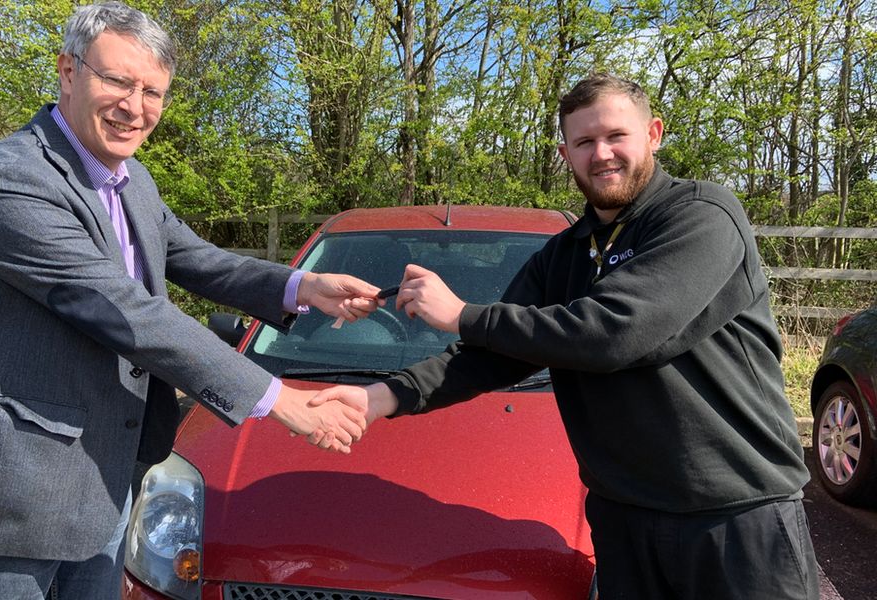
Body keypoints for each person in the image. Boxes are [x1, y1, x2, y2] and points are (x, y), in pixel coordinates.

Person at [0, 2, 378, 598]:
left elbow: (197, 258)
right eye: (118, 80)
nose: (136, 106)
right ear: (68, 71)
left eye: (153, 91)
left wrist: (301, 286)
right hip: (9, 503)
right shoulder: (6, 180)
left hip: (102, 485)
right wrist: (278, 399)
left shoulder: (131, 179)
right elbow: (126, 311)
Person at [313, 73, 819, 599]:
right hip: (624, 519)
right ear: (565, 153)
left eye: (615, 135)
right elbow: (491, 356)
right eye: (584, 142)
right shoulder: (564, 255)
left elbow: (613, 334)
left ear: (653, 134)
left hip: (737, 516)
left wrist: (461, 313)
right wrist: (380, 397)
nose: (601, 154)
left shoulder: (701, 216)